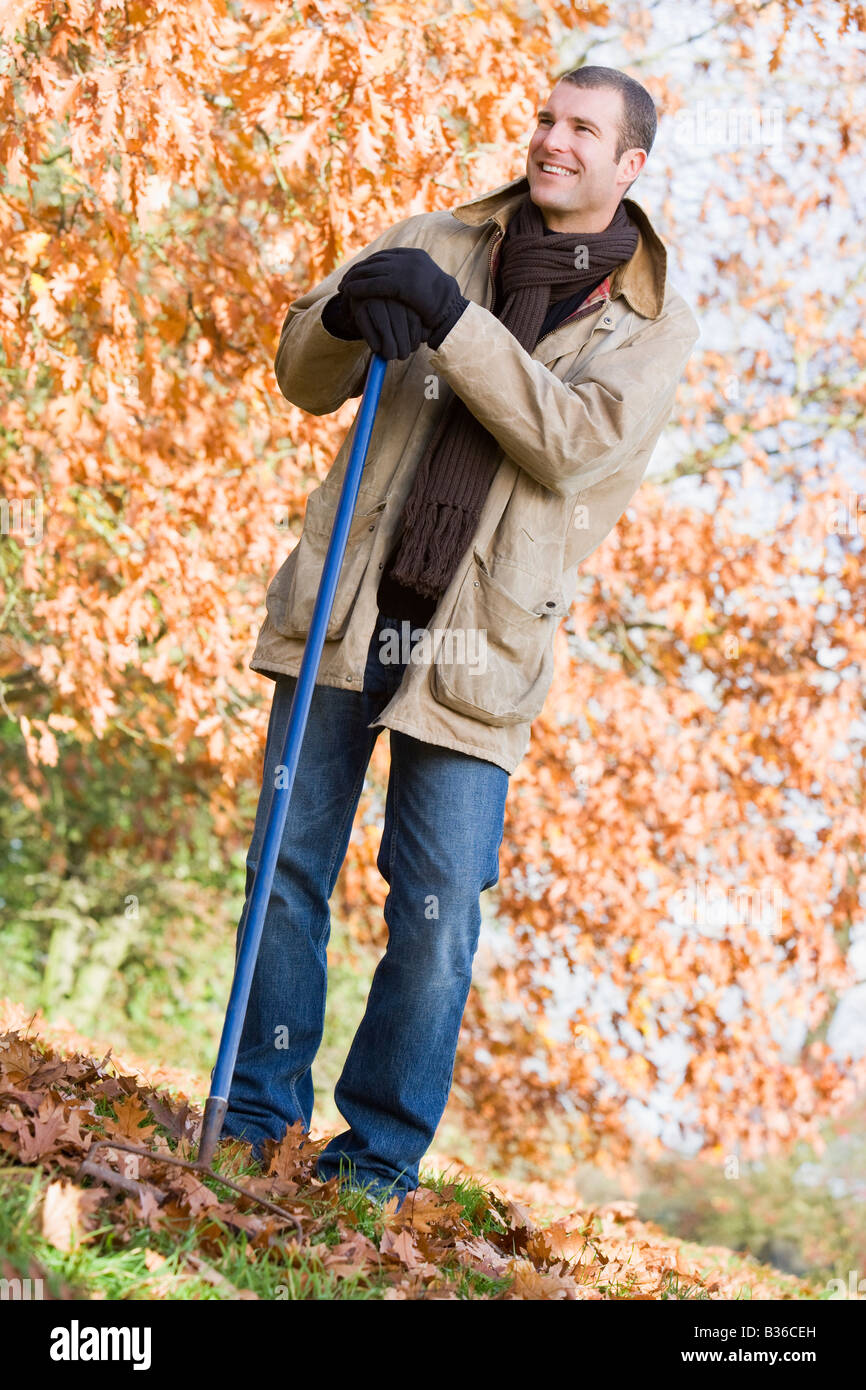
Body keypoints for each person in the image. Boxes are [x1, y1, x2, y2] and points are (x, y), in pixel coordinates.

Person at [219, 66, 700, 1207]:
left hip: (476, 649)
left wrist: (451, 322)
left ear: (629, 165)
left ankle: (373, 1159)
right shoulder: (436, 238)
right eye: (544, 119)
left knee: (432, 916)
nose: (552, 140)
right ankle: (250, 1114)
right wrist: (339, 318)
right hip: (345, 606)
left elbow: (573, 443)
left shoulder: (648, 320)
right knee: (286, 864)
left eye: (582, 129)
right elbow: (303, 375)